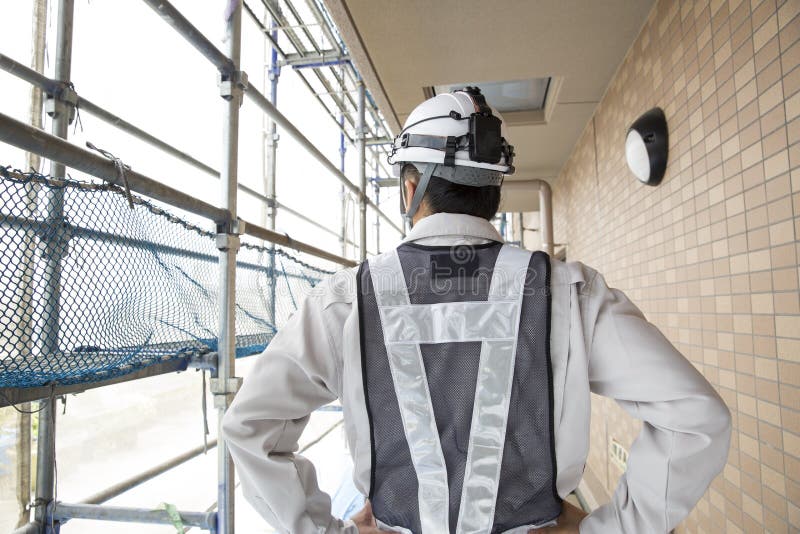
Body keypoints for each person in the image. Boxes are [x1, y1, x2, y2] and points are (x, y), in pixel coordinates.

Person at [221, 87, 732, 533]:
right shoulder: (570, 294)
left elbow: (250, 428)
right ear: (494, 188)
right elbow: (695, 419)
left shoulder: (344, 302)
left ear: (409, 188)